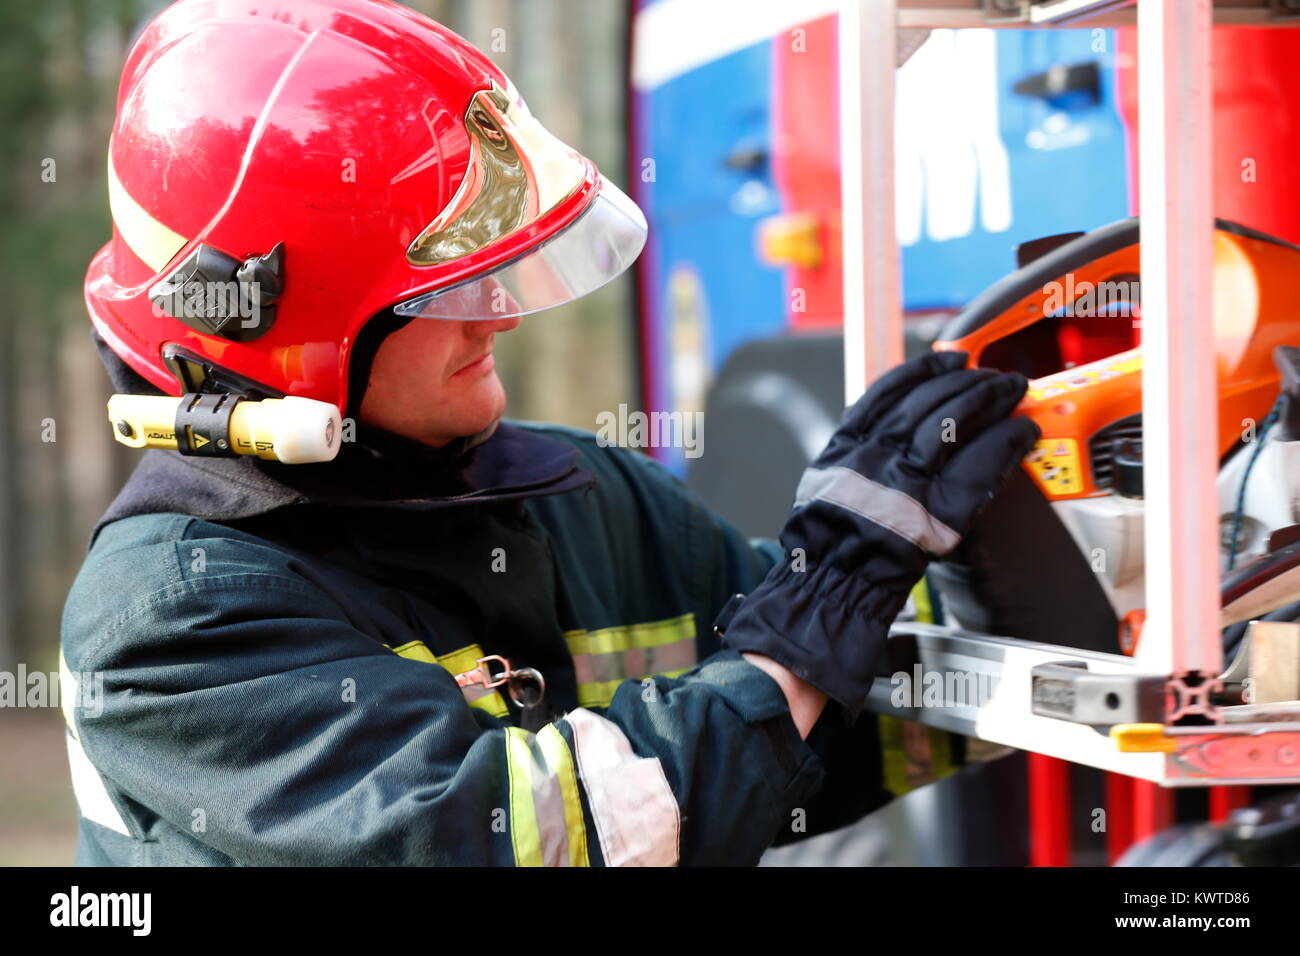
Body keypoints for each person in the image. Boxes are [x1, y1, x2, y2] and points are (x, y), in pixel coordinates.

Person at [62, 0, 1038, 866]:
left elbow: (803, 737)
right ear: (291, 337)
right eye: (451, 288)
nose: (500, 316)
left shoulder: (590, 501)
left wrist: (1025, 618)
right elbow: (512, 836)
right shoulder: (169, 620)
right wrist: (806, 622)